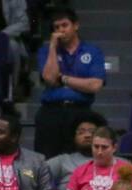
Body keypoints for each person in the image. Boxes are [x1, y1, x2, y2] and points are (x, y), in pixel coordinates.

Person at [33, 7, 106, 159]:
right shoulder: (46, 50)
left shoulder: (92, 51)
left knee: (79, 159)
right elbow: (50, 78)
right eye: (56, 27)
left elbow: (95, 85)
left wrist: (64, 79)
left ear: (76, 25)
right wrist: (53, 47)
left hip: (81, 112)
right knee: (46, 161)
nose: (60, 31)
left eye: (64, 25)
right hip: (51, 112)